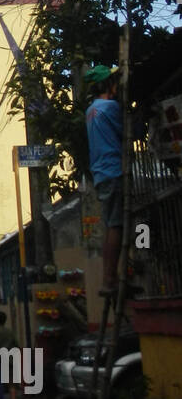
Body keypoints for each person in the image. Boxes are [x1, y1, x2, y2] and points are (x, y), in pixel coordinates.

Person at [85, 65, 123, 296]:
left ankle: (112, 276)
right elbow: (128, 131)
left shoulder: (91, 110)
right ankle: (112, 277)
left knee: (113, 224)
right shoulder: (110, 107)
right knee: (122, 224)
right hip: (114, 170)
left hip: (101, 173)